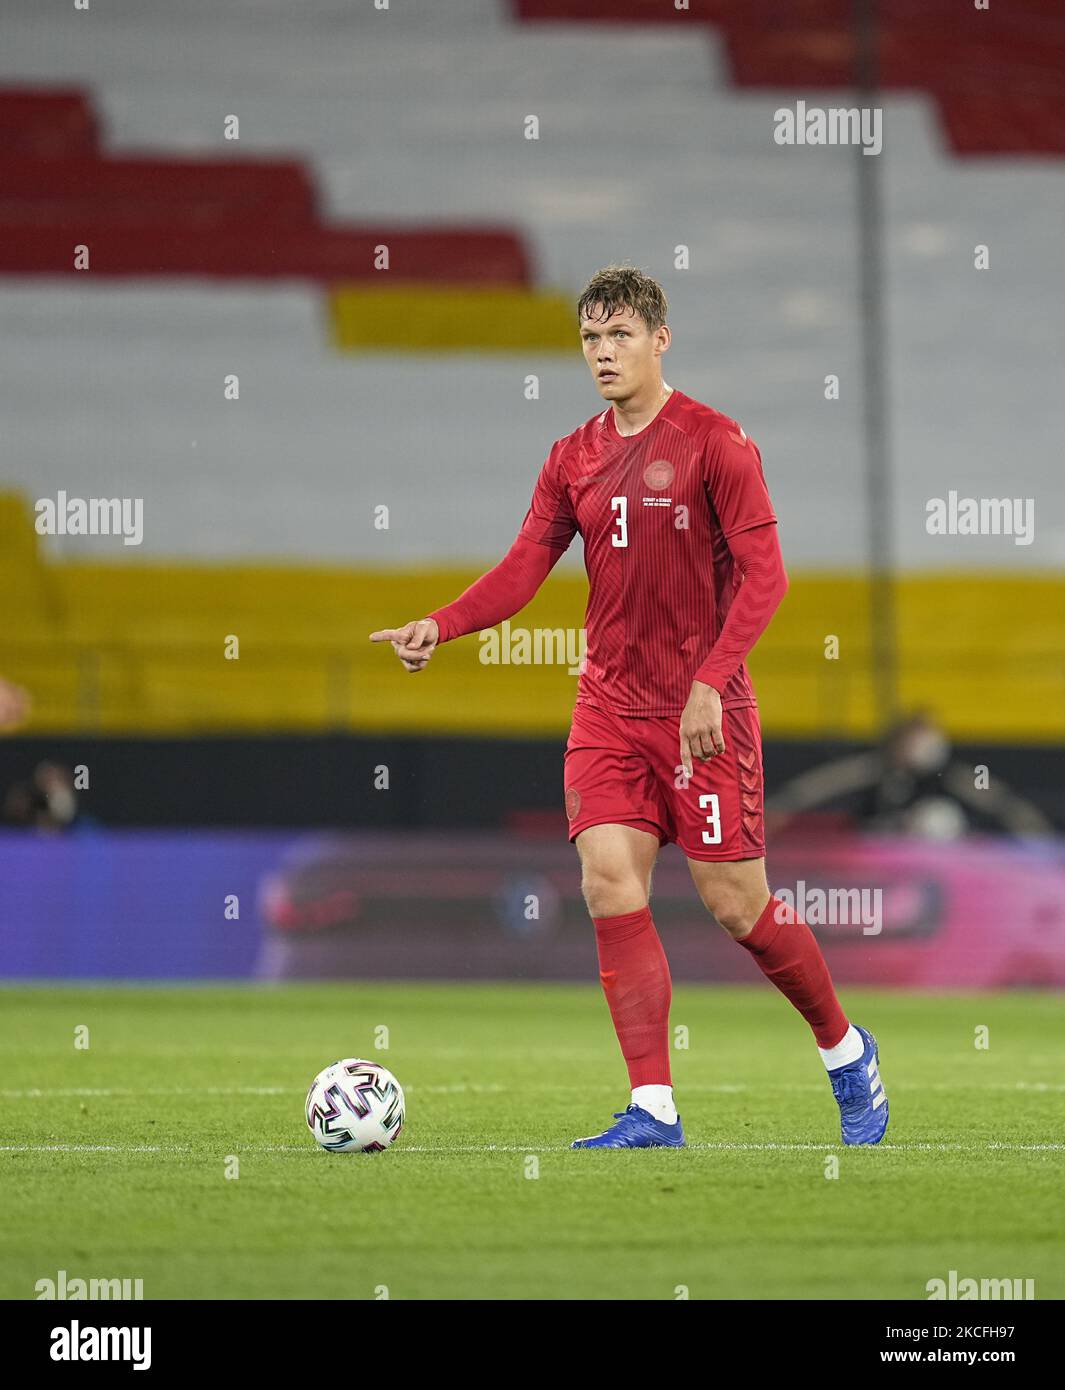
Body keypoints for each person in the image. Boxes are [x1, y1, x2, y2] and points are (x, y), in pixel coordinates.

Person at [371, 265, 888, 1147]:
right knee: (608, 883)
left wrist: (708, 680)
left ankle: (844, 1050)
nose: (602, 353)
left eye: (618, 336)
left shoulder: (716, 444)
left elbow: (767, 577)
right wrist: (442, 623)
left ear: (659, 339)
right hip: (608, 711)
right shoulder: (571, 455)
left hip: (703, 714)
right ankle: (653, 1108)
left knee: (737, 908)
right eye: (589, 338)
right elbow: (523, 567)